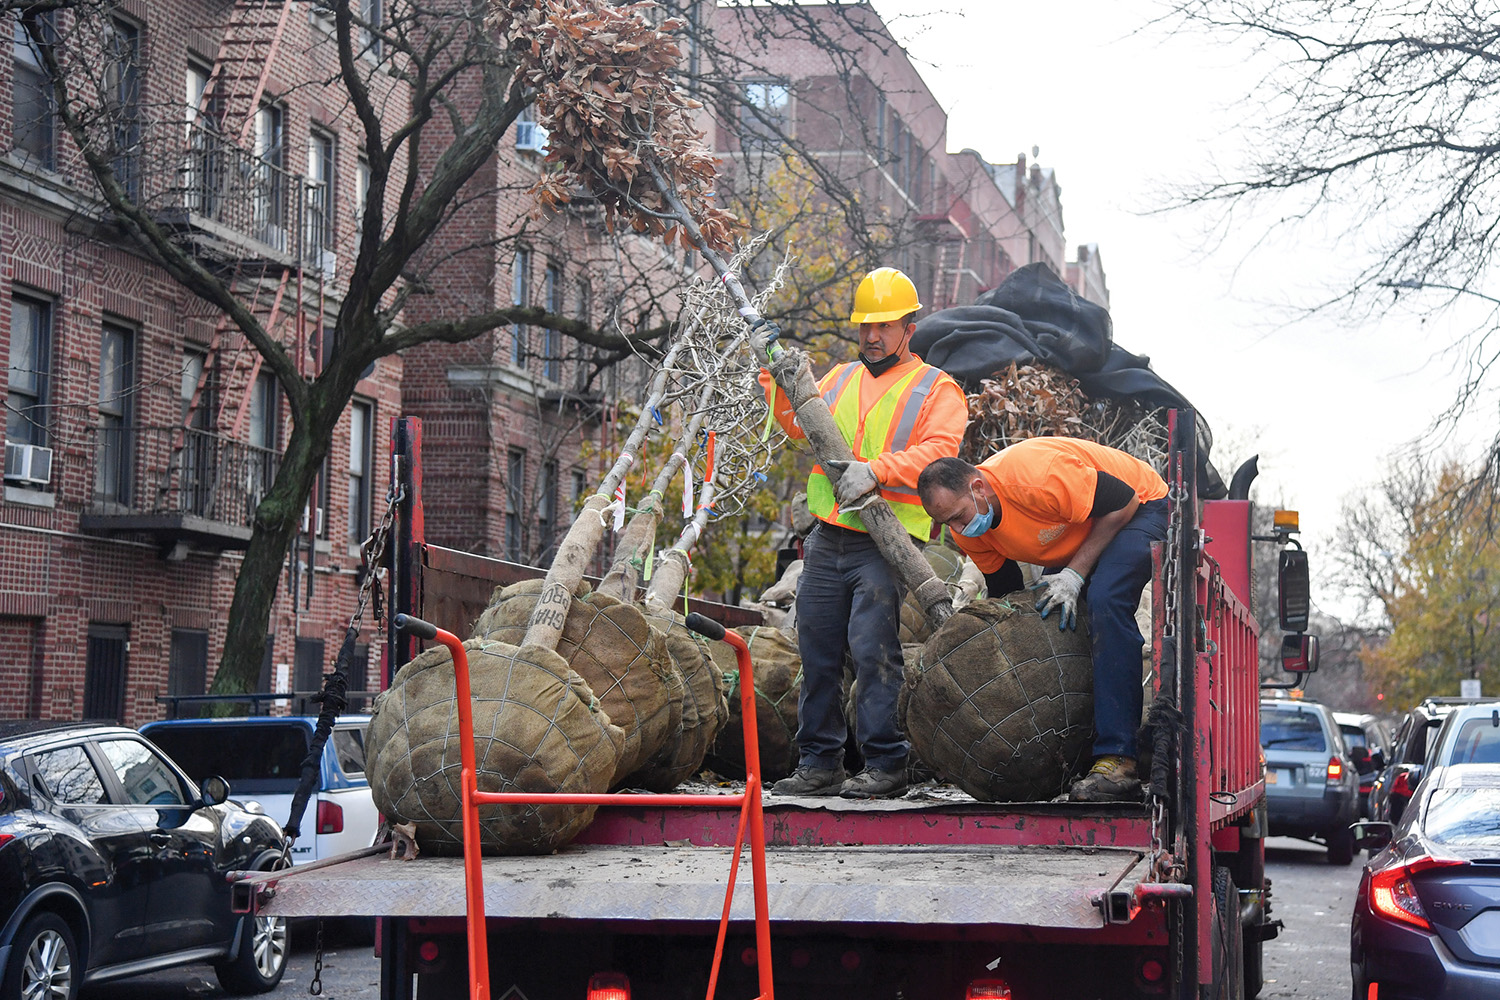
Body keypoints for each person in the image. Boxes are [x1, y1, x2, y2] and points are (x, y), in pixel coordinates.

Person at [755, 267, 966, 798]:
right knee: (817, 648)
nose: (871, 336)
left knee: (873, 649)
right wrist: (772, 376)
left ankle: (886, 763)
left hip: (887, 540)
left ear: (909, 328)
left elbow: (940, 454)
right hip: (828, 535)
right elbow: (798, 426)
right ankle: (820, 762)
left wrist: (876, 471)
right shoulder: (841, 377)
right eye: (865, 326)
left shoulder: (937, 388)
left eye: (883, 326)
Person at [914, 439, 1169, 802]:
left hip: (1140, 505)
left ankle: (1119, 760)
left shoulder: (1035, 477)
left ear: (978, 487)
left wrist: (1075, 574)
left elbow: (1122, 501)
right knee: (1051, 617)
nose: (956, 527)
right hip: (1081, 526)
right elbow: (1006, 590)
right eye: (946, 522)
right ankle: (1080, 755)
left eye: (958, 515)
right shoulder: (970, 530)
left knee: (1105, 599)